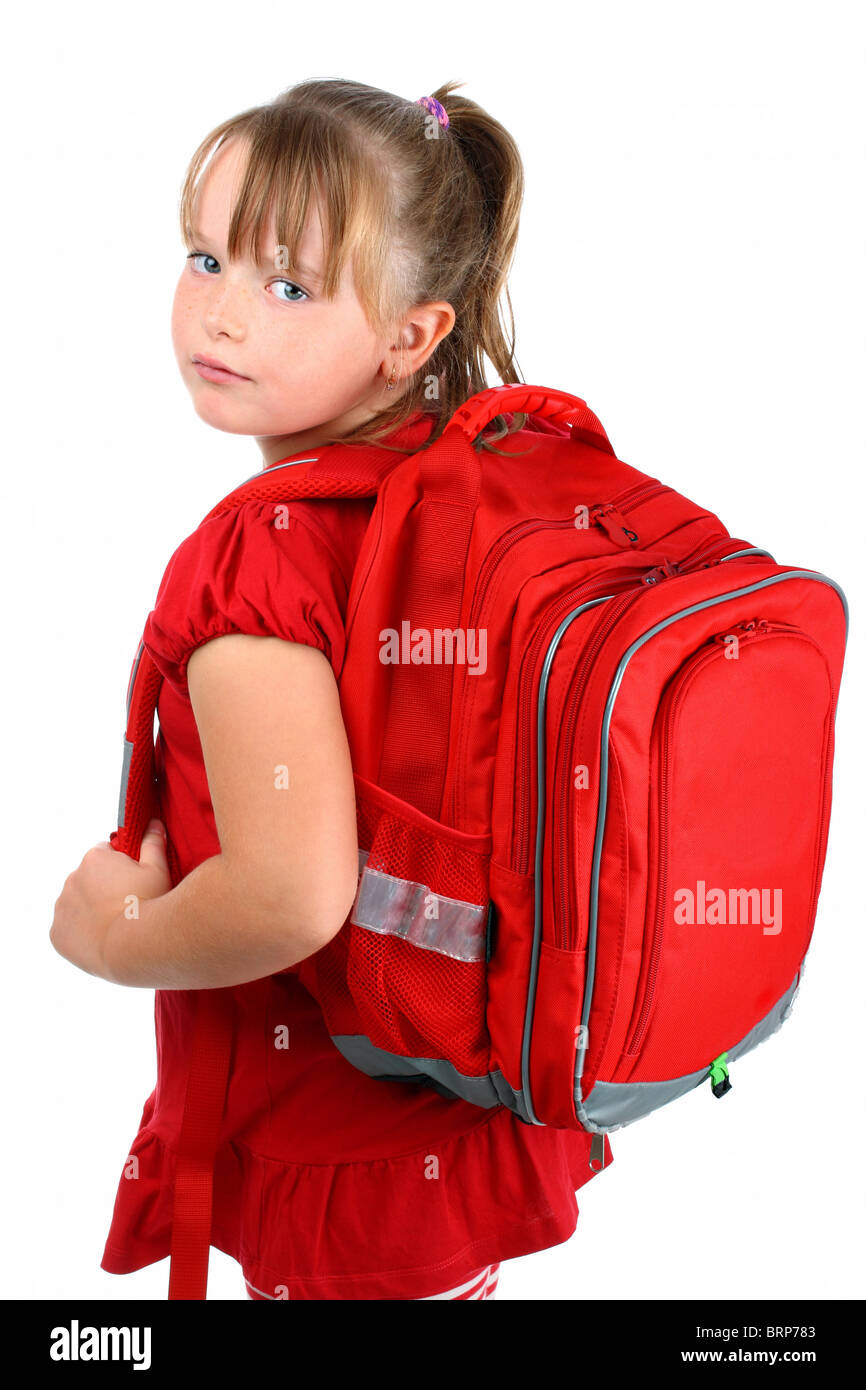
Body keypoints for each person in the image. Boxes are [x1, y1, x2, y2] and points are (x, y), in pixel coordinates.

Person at [49, 77, 612, 1301]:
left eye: (288, 285)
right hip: (465, 1115)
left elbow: (293, 896)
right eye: (205, 258)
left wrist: (112, 935)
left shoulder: (263, 560)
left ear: (411, 336)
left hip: (334, 1156)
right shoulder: (484, 494)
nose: (224, 316)